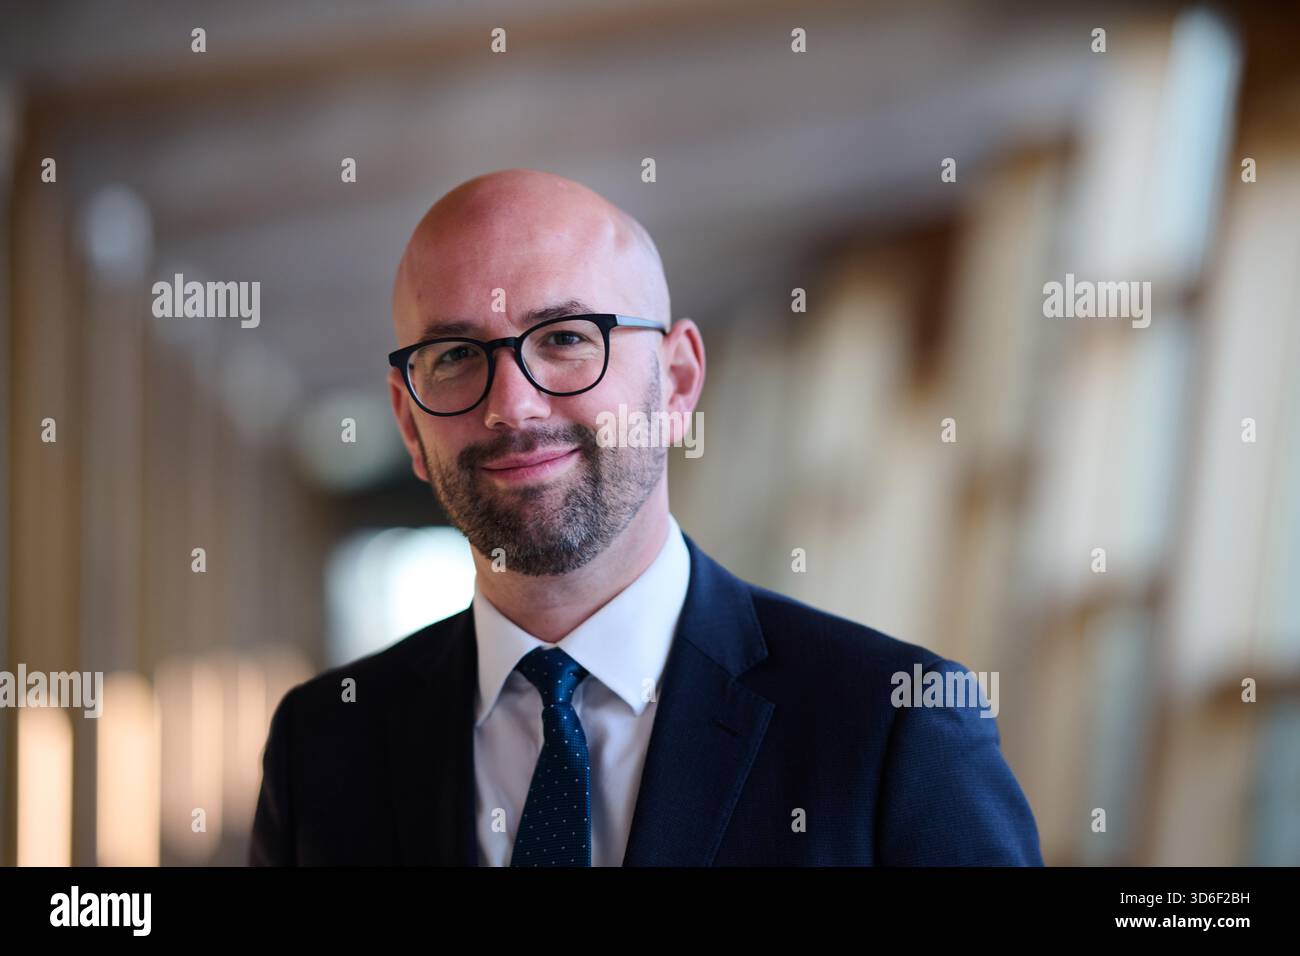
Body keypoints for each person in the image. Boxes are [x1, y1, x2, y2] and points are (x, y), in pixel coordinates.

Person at [249, 168, 1043, 866]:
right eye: (456, 355)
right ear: (407, 423)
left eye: (564, 337)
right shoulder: (323, 746)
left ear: (679, 383)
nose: (512, 405)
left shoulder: (893, 729)